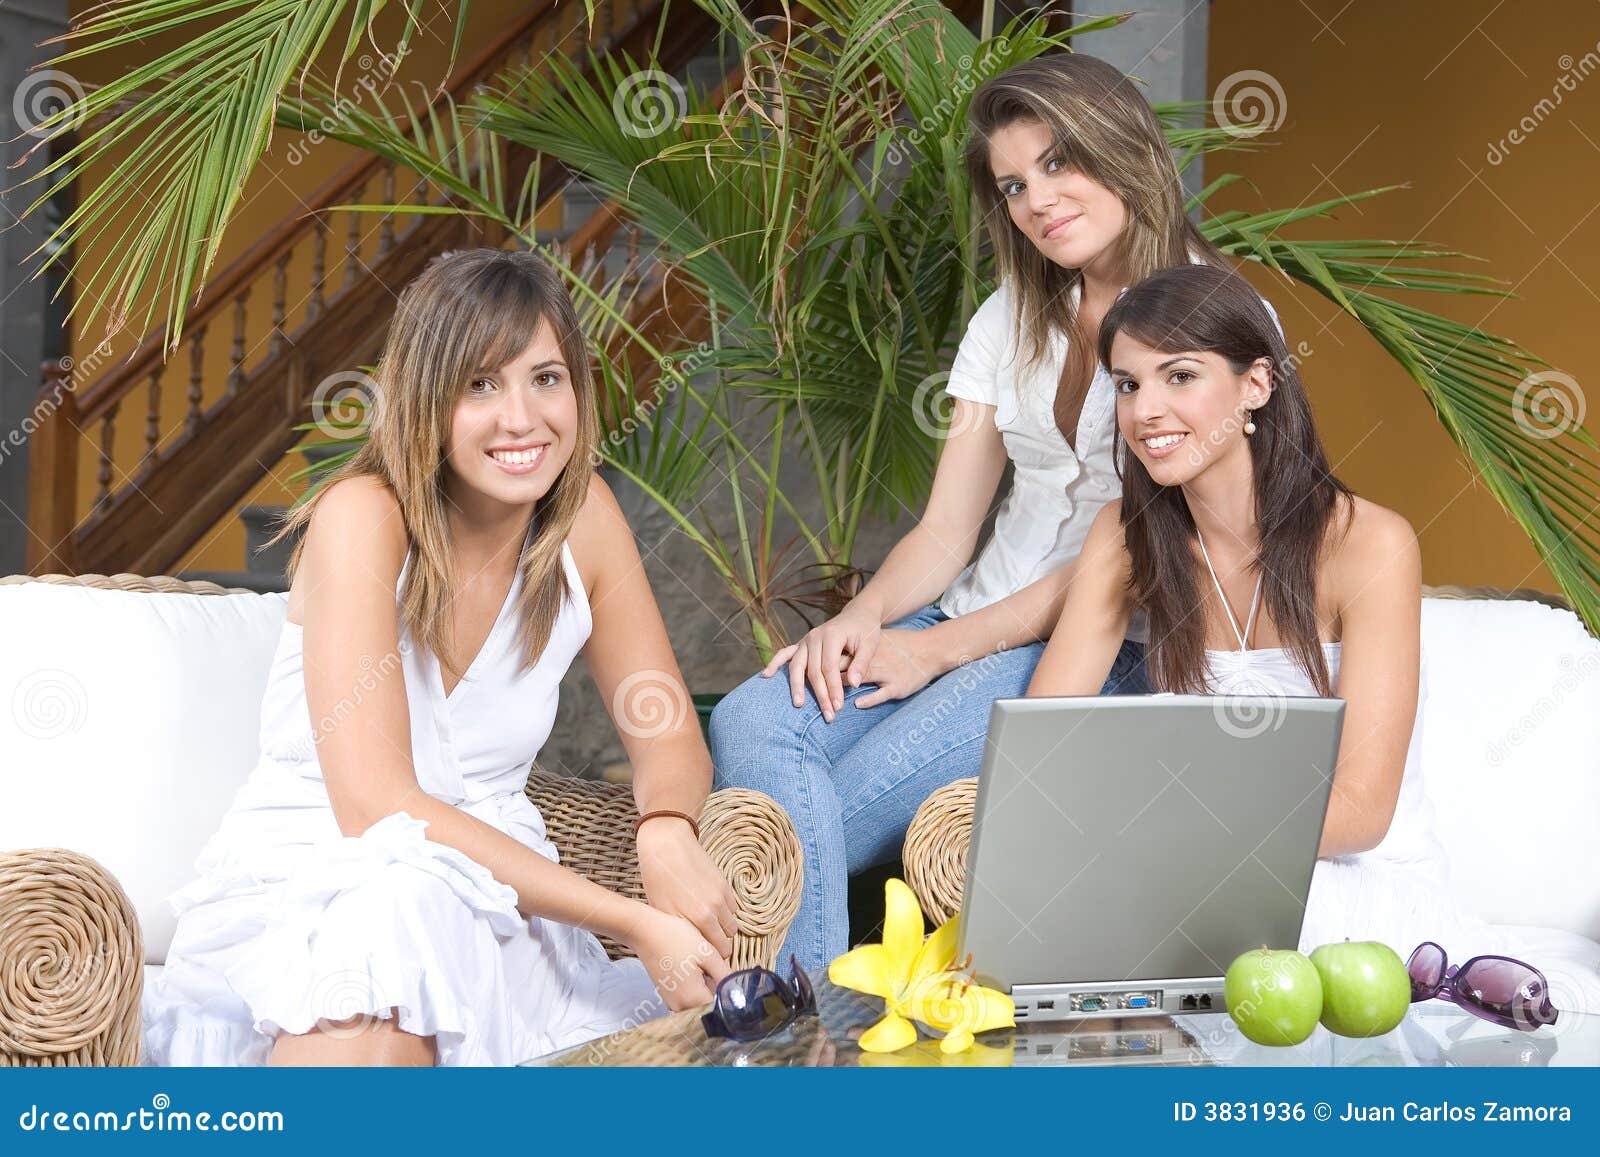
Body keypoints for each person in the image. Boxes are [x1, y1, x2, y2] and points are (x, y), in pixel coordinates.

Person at [710, 54, 1286, 975]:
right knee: (751, 721)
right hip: (965, 612)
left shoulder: (1214, 314)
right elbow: (946, 529)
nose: (1037, 200)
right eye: (1015, 184)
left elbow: (1137, 555)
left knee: (830, 806)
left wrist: (939, 649)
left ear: (1123, 146)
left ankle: (792, 1042)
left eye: (1059, 163)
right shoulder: (1010, 316)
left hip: (1104, 648)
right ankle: (808, 1030)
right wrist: (864, 619)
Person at [142, 247, 735, 1066]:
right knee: (393, 925)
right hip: (321, 878)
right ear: (427, 400)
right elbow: (379, 809)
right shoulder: (361, 515)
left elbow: (664, 726)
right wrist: (628, 917)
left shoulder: (585, 518)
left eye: (546, 378)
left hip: (496, 903)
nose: (522, 418)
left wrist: (665, 828)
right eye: (481, 385)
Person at [1026, 259, 1455, 956]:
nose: (1145, 410)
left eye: (1181, 376)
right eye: (1128, 384)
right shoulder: (1125, 534)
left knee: (1194, 926)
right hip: (1190, 871)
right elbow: (1041, 752)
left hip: (1352, 884)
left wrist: (1165, 833)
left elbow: (1363, 810)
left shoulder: (1371, 544)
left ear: (1256, 384)